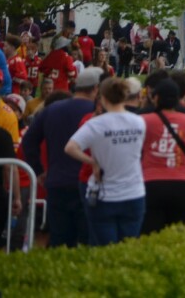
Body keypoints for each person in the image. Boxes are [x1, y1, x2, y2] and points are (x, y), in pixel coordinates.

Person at [23, 66, 100, 247]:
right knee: (87, 241)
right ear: (96, 88)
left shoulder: (52, 109)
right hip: (89, 183)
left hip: (56, 182)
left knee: (59, 239)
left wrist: (39, 170)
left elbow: (28, 142)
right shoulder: (97, 112)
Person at [64, 77, 145, 246]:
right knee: (129, 248)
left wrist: (92, 161)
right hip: (134, 193)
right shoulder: (139, 122)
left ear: (102, 98)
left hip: (104, 195)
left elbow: (70, 147)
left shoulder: (95, 124)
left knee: (105, 249)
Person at [140, 79, 185, 234]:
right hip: (184, 184)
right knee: (182, 236)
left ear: (155, 98)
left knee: (150, 235)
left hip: (151, 183)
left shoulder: (143, 121)